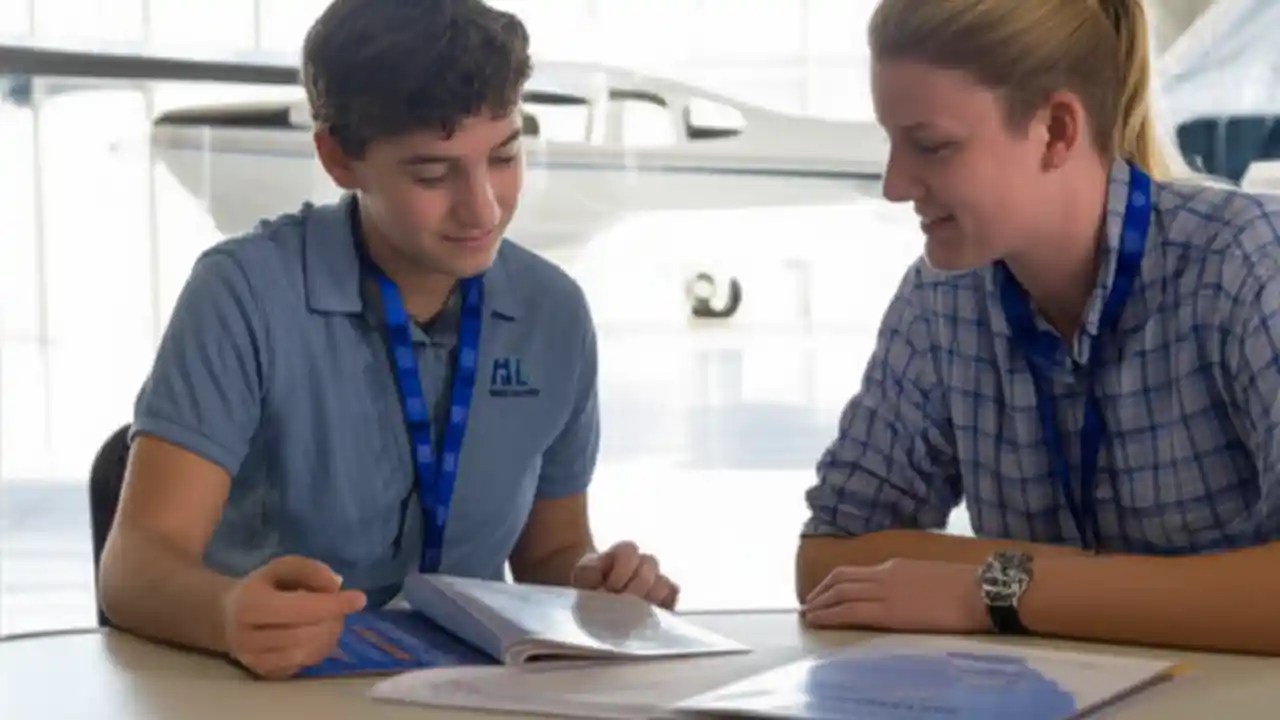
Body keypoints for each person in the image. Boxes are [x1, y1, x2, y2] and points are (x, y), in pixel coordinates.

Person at [99, 0, 678, 680]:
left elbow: (550, 553)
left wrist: (595, 583)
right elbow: (134, 567)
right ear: (338, 159)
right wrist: (227, 611)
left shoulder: (553, 312)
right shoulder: (245, 294)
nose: (483, 208)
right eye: (432, 174)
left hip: (464, 691)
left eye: (504, 155)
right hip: (267, 690)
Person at [797, 0, 1280, 656]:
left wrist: (989, 593)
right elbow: (830, 558)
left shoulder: (1246, 265)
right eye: (892, 142)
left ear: (1056, 130)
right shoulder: (942, 300)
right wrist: (1164, 593)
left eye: (931, 145)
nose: (894, 184)